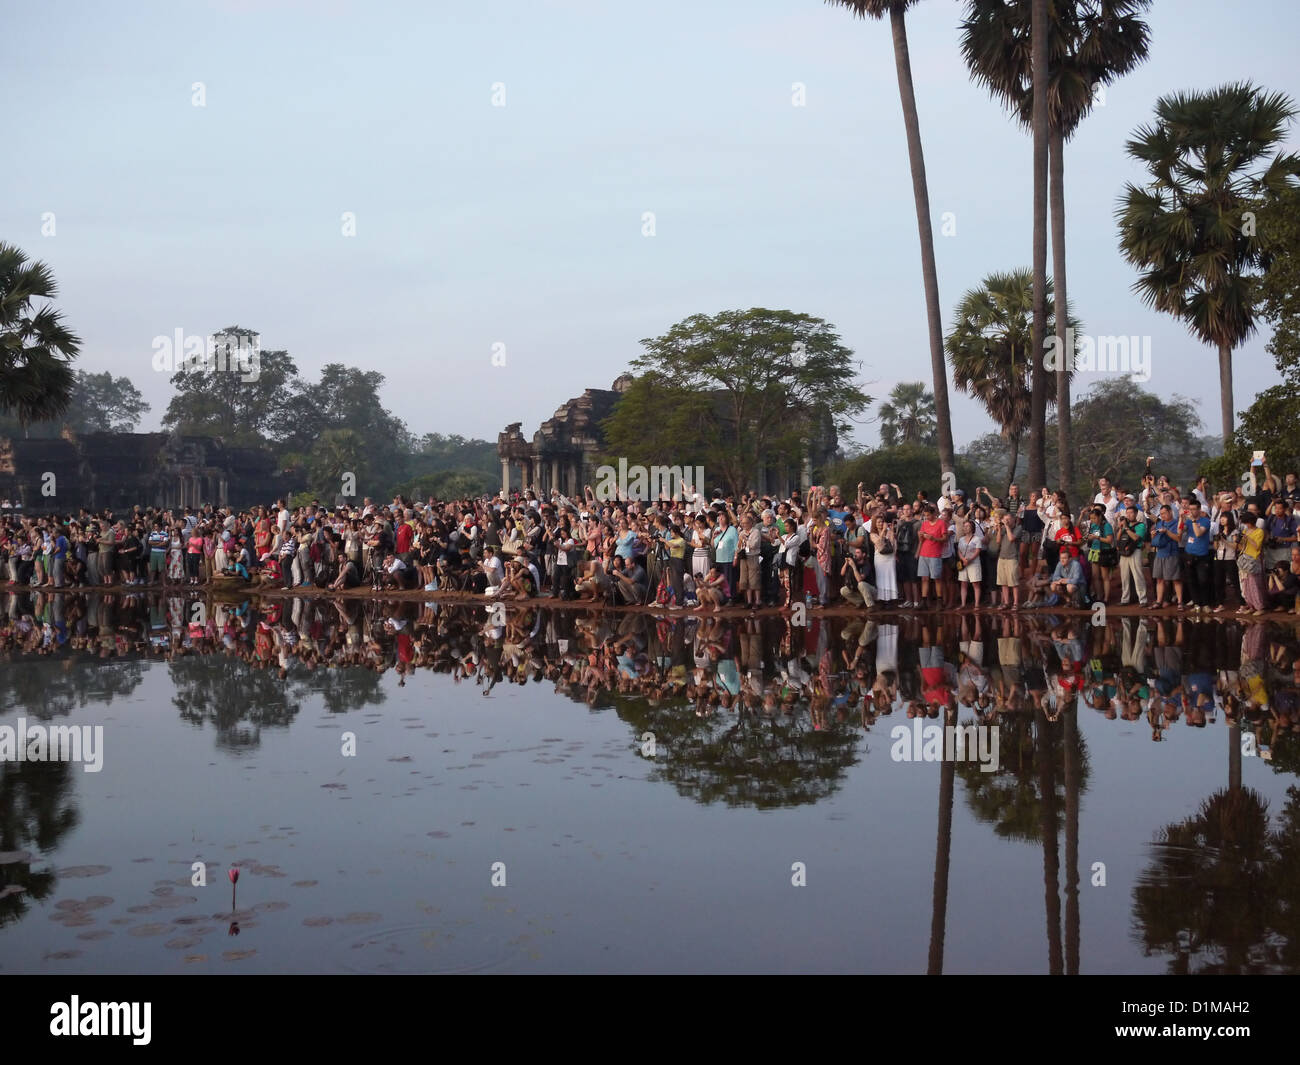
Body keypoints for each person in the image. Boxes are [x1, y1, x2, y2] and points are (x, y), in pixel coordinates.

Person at [1115, 505, 1148, 606]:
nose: (1129, 515)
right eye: (1127, 513)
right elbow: (1118, 538)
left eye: (1131, 513)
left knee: (1138, 576)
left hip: (1135, 551)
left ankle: (1143, 600)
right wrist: (1121, 528)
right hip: (1123, 553)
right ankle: (1125, 599)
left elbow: (1136, 538)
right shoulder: (1126, 524)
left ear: (1136, 514)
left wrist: (1126, 528)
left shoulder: (1141, 525)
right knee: (1124, 577)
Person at [1151, 504, 1183, 608]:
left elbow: (1178, 538)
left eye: (1164, 513)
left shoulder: (1176, 523)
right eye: (1161, 514)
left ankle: (1180, 602)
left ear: (1170, 512)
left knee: (1175, 579)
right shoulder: (1159, 523)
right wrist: (1153, 535)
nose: (1162, 516)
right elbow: (1155, 540)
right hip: (1160, 554)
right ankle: (1158, 601)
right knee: (1159, 579)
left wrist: (1166, 531)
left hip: (1171, 554)